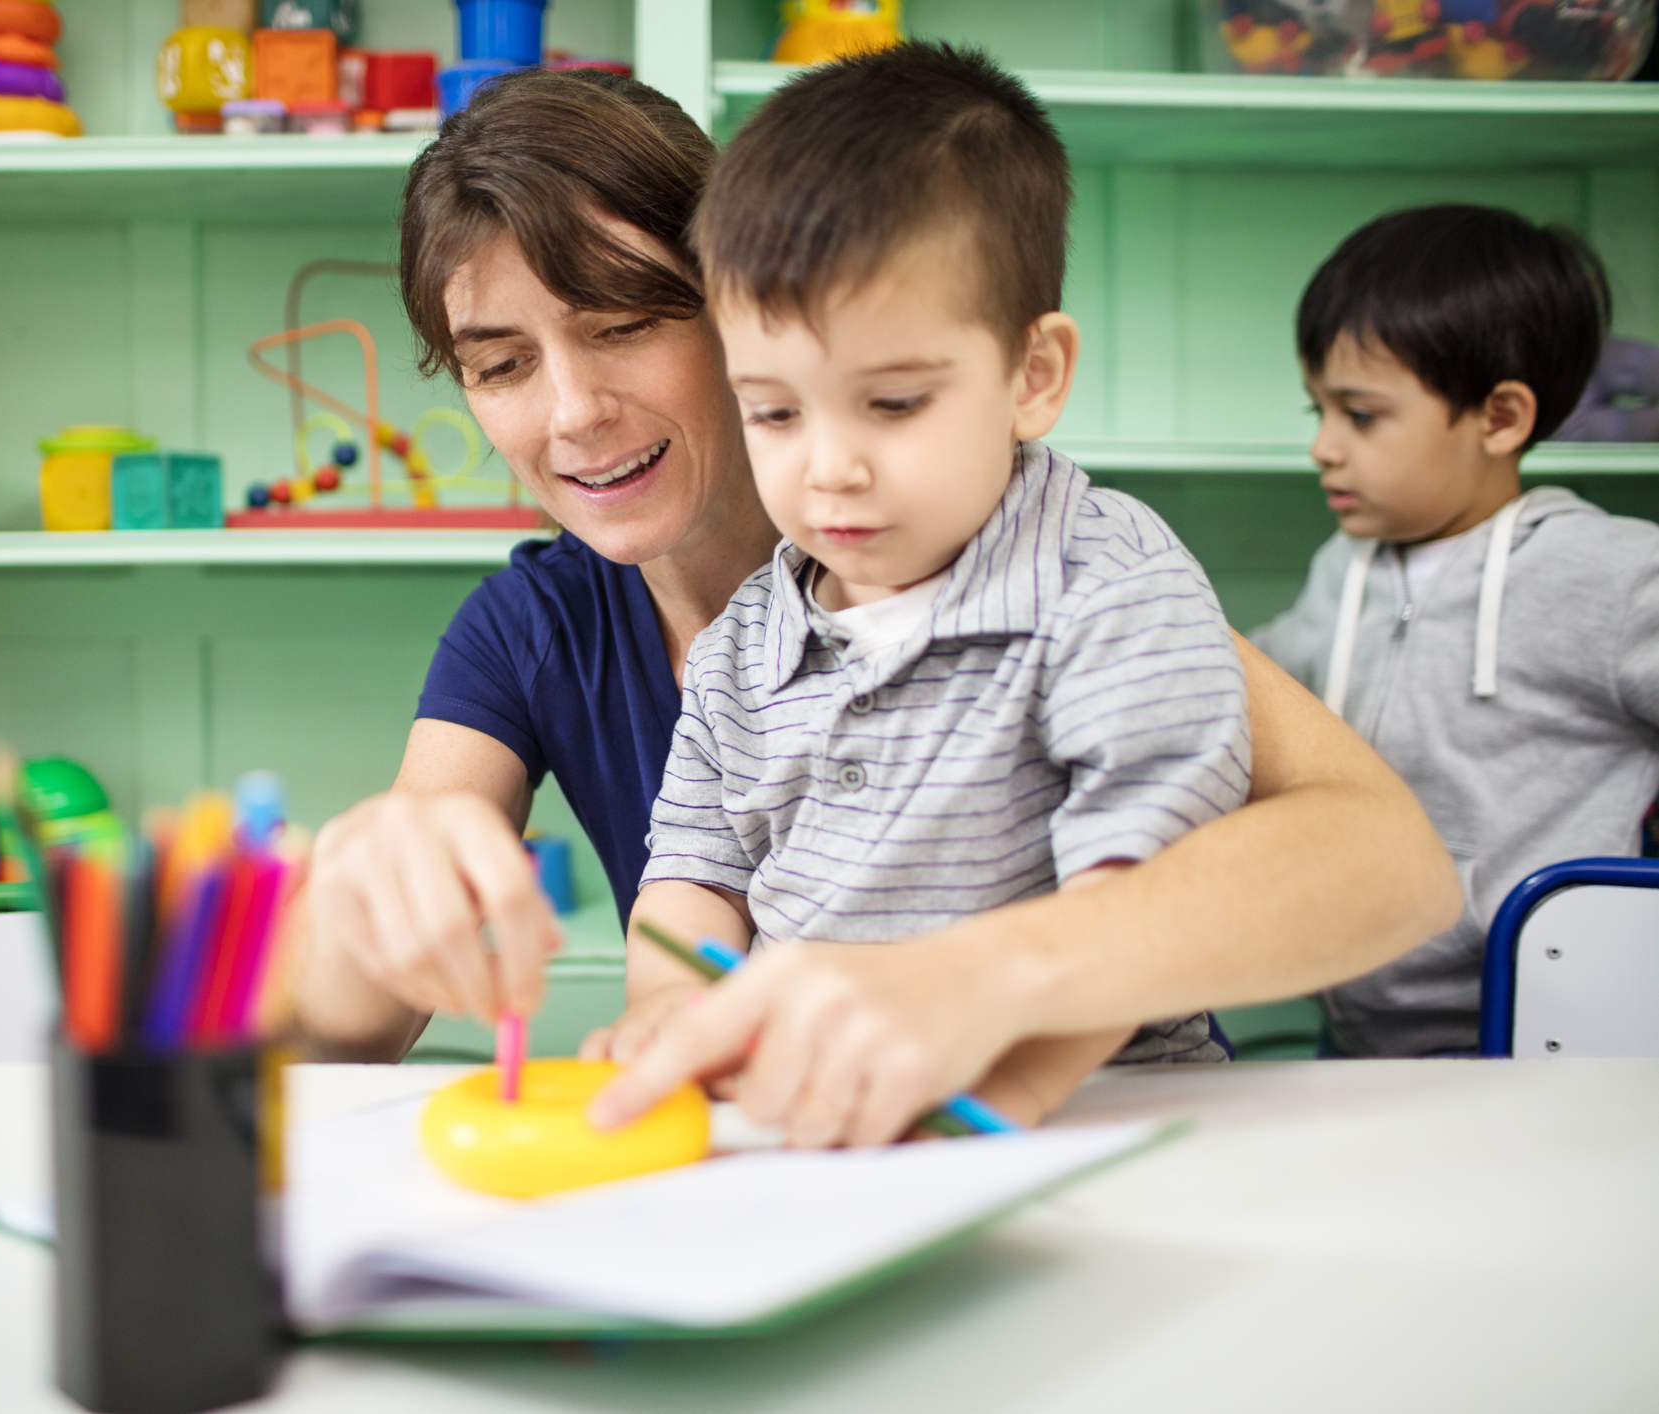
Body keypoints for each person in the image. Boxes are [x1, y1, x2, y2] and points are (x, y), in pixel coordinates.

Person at [292, 64, 1462, 1145]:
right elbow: (341, 1038)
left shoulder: (1046, 556)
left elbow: (1393, 861)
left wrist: (995, 982)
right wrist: (368, 896)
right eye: (501, 366)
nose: (572, 414)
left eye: (627, 324)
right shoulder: (553, 628)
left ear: (746, 300)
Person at [624, 44, 1249, 1140]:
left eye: (894, 402)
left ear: (1034, 376)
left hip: (1089, 1113)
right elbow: (693, 877)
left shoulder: (1103, 582)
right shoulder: (745, 642)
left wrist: (1002, 1108)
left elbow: (1144, 902)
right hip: (823, 1122)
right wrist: (671, 1004)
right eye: (773, 411)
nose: (829, 467)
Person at [1251, 204, 1659, 1058]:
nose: (1323, 448)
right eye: (1315, 412)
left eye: (1359, 415)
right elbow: (1254, 686)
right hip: (1359, 1034)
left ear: (1501, 419)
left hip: (1549, 1047)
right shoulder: (1346, 568)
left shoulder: (1609, 575)